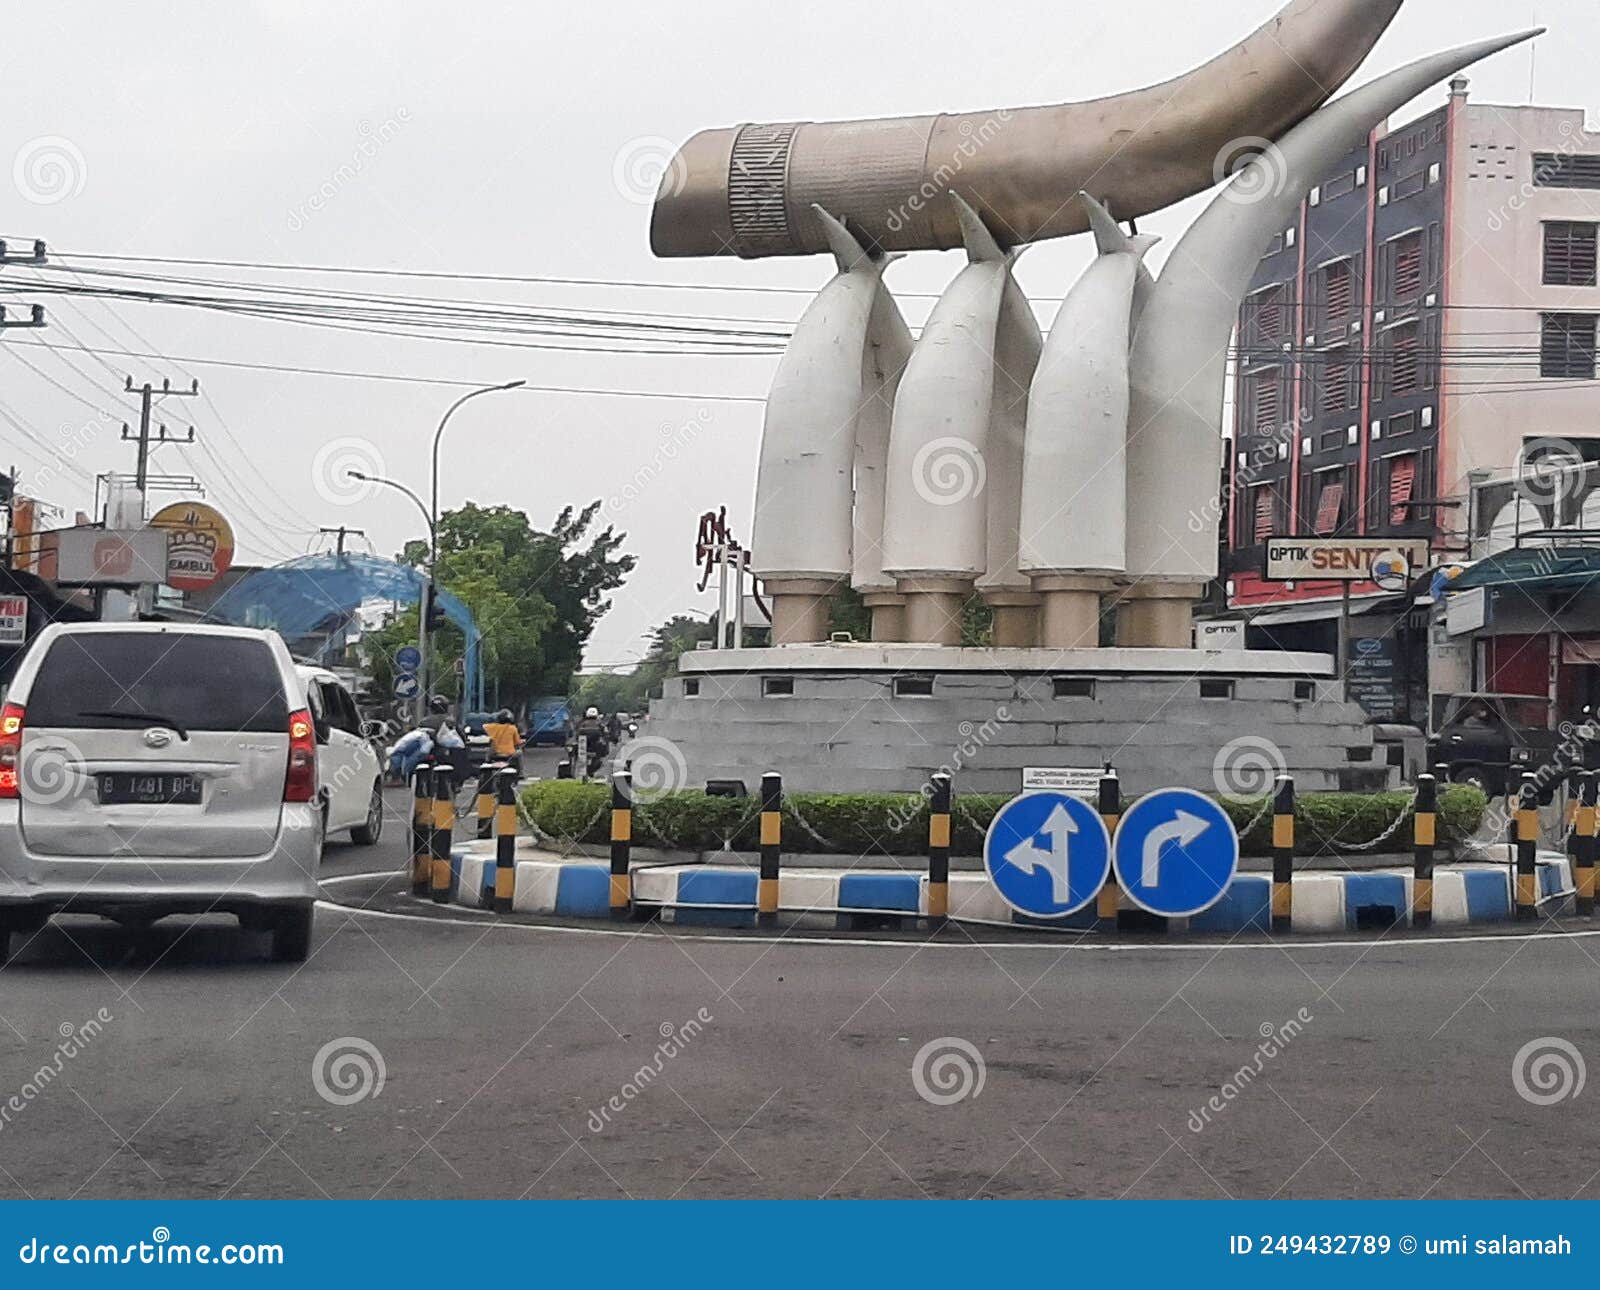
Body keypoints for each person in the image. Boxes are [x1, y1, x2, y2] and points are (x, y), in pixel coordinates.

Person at [571, 705, 610, 780]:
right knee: (600, 757)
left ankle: (582, 773)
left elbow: (576, 732)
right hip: (590, 747)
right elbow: (606, 733)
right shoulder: (599, 723)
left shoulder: (581, 723)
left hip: (584, 746)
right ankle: (586, 772)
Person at [484, 708, 524, 774]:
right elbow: (517, 742)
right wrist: (522, 742)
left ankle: (487, 766)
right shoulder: (512, 728)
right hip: (509, 753)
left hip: (495, 753)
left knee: (487, 751)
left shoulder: (493, 727)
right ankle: (520, 773)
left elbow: (486, 730)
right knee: (520, 753)